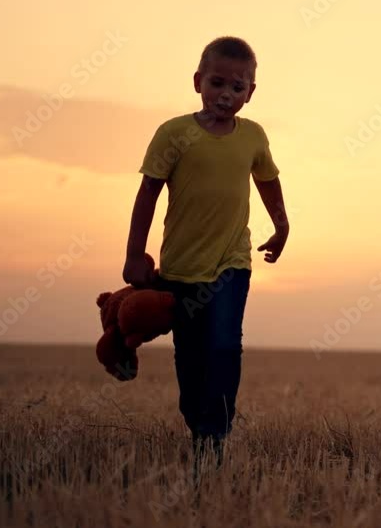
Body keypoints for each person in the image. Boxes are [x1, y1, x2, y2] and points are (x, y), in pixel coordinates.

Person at [122, 36, 289, 471]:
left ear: (251, 93)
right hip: (180, 267)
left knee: (223, 344)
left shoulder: (253, 135)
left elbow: (267, 180)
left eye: (238, 88)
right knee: (192, 353)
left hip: (231, 264)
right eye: (218, 83)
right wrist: (134, 254)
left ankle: (215, 434)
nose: (226, 95)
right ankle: (198, 425)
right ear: (198, 81)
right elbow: (147, 194)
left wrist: (282, 224)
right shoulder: (174, 133)